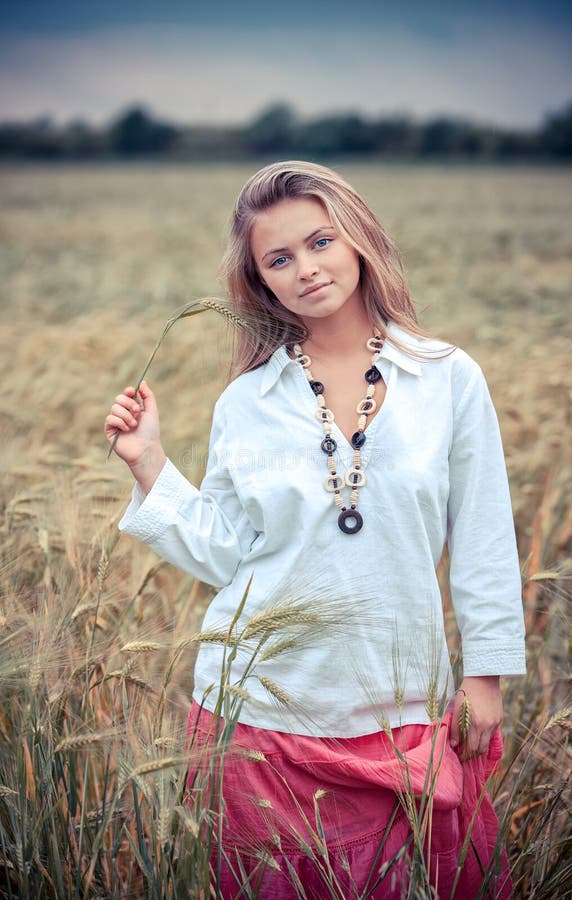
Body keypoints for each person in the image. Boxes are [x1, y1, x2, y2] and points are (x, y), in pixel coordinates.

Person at [105, 161, 526, 898]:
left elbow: (484, 532)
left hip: (401, 710)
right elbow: (227, 552)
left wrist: (485, 675)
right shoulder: (248, 400)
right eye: (279, 259)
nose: (305, 268)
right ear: (260, 282)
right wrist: (150, 464)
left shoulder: (447, 378)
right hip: (258, 717)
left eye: (320, 241)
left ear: (359, 239)